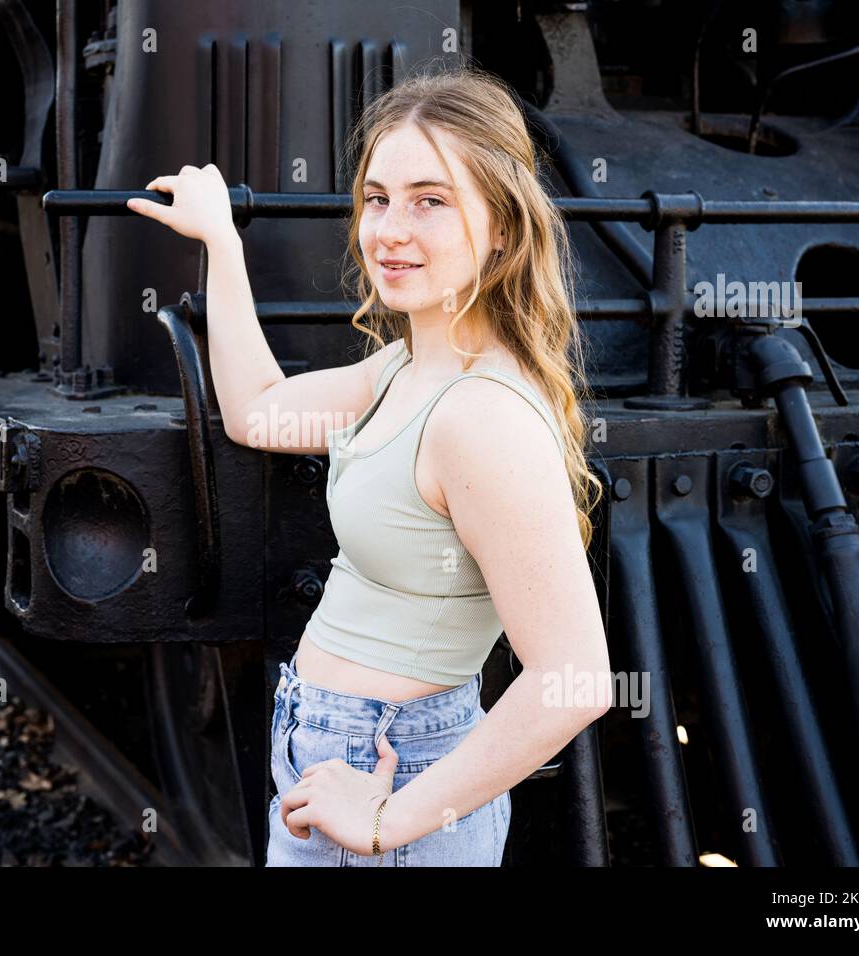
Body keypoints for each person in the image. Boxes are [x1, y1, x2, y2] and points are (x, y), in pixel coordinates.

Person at [127, 65, 610, 866]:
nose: (389, 229)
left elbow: (576, 679)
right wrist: (222, 243)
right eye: (378, 198)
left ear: (502, 227)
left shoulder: (480, 416)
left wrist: (392, 819)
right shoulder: (400, 373)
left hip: (388, 777)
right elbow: (258, 411)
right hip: (336, 760)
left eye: (431, 200)